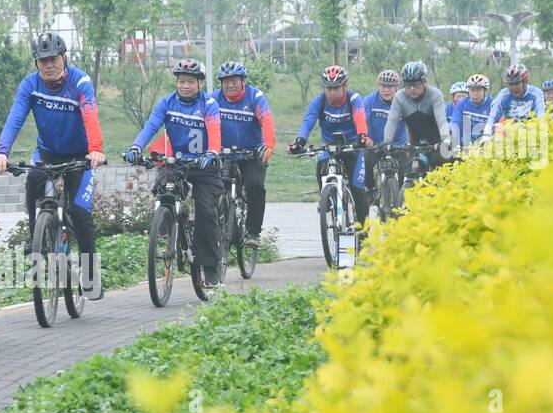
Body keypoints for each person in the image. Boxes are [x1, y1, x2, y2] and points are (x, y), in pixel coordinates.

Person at [0, 31, 105, 299]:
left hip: (80, 156)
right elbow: (16, 116)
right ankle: (37, 236)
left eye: (53, 59)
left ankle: (89, 277)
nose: (49, 65)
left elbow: (90, 115)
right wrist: (2, 151)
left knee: (79, 212)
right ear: (36, 64)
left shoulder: (81, 82)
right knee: (33, 180)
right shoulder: (30, 85)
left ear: (64, 58)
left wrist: (96, 149)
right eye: (42, 61)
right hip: (47, 153)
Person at [123, 58, 224, 283]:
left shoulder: (209, 105)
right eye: (181, 81)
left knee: (207, 213)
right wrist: (136, 147)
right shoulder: (166, 103)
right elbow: (151, 125)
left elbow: (214, 129)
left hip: (204, 165)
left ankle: (209, 266)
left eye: (190, 81)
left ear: (199, 83)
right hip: (176, 162)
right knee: (163, 190)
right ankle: (168, 219)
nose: (185, 86)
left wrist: (213, 152)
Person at [287, 64, 372, 226]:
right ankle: (327, 199)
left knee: (358, 189)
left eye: (336, 88)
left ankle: (364, 233)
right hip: (329, 146)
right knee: (320, 169)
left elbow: (360, 117)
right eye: (329, 88)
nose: (332, 93)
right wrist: (300, 142)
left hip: (352, 146)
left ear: (345, 86)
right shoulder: (319, 101)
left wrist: (362, 136)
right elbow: (308, 121)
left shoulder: (353, 99)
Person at [211, 60, 275, 249]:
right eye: (225, 81)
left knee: (255, 186)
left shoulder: (255, 96)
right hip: (224, 154)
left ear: (243, 81)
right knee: (214, 188)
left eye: (234, 80)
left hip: (252, 154)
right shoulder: (213, 99)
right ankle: (220, 226)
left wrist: (268, 144)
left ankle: (253, 232)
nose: (230, 85)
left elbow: (267, 121)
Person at [382, 61, 453, 169]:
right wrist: (387, 141)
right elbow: (392, 121)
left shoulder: (435, 94)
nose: (411, 89)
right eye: (408, 85)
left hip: (437, 143)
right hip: (415, 144)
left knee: (441, 172)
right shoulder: (399, 97)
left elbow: (441, 118)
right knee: (409, 172)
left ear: (424, 82)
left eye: (415, 84)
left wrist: (445, 139)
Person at [484, 64, 545, 138]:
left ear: (525, 81)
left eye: (516, 84)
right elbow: (492, 117)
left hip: (531, 135)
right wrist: (487, 134)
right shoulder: (503, 94)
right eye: (510, 84)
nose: (513, 88)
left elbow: (541, 116)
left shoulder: (536, 93)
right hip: (510, 136)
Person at [451, 74, 493, 149]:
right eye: (472, 90)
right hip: (465, 146)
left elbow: (499, 125)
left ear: (485, 91)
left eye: (479, 90)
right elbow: (455, 123)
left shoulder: (493, 104)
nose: (475, 94)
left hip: (486, 145)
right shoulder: (462, 103)